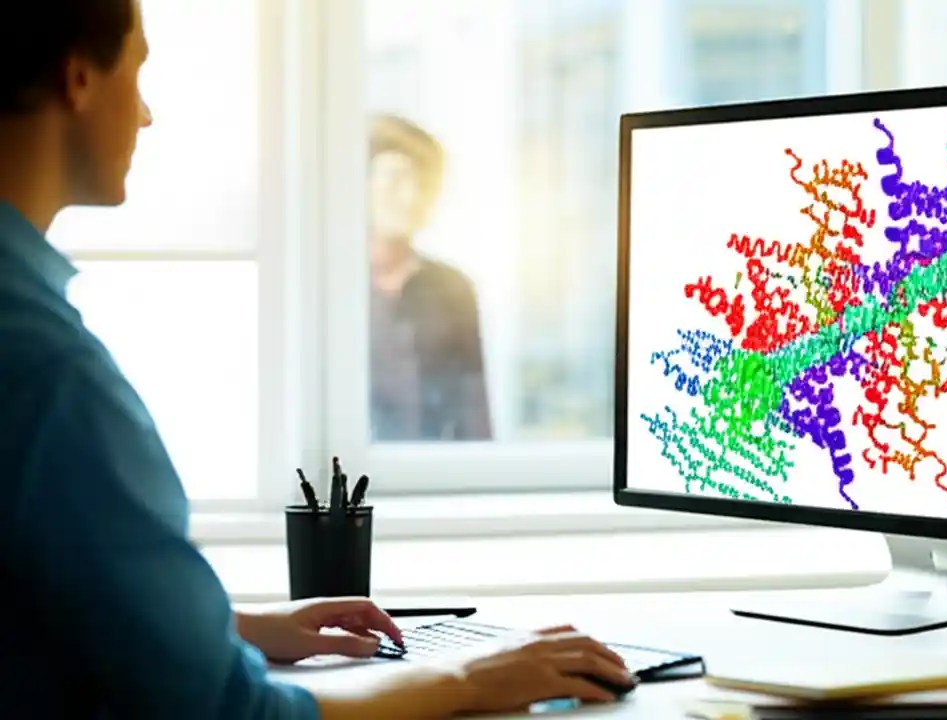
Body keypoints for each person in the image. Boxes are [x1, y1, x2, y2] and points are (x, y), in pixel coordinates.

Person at [0, 1, 632, 718]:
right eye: (138, 71)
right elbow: (235, 713)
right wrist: (474, 679)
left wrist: (240, 627)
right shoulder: (49, 376)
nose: (145, 115)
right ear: (78, 77)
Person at [367, 114, 492, 441]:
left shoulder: (453, 290)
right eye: (395, 179)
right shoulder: (330, 289)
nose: (409, 196)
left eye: (420, 182)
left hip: (431, 477)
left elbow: (475, 414)